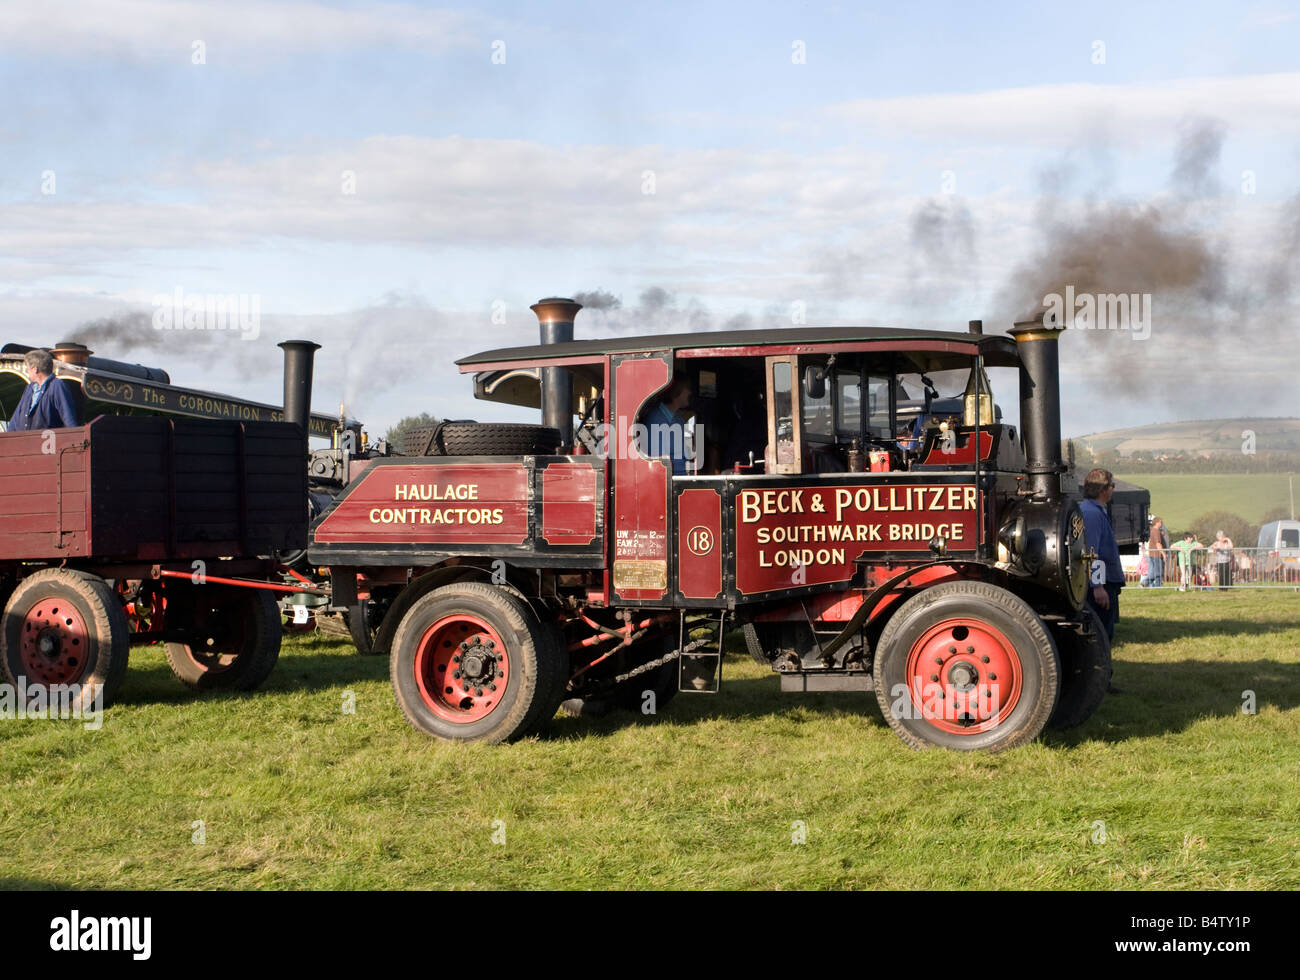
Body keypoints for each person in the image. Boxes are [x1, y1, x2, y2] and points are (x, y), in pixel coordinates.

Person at [1079, 468, 1123, 644]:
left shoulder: (1095, 511)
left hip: (1104, 581)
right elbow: (1091, 552)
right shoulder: (1092, 514)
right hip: (1100, 584)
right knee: (1102, 635)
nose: (1113, 489)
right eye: (1112, 485)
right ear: (1103, 489)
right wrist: (1097, 585)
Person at [7, 349, 80, 431]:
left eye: (28, 369)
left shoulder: (57, 386)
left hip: (47, 442)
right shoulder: (29, 388)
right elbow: (15, 420)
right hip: (21, 442)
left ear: (35, 369)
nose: (27, 371)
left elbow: (69, 418)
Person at [646, 372, 693, 476]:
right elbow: (657, 463)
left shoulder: (679, 421)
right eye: (688, 388)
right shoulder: (655, 419)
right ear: (677, 390)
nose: (690, 393)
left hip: (683, 478)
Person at [1147, 516, 1169, 588]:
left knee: (1155, 572)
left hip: (1153, 554)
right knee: (1158, 572)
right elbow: (1158, 544)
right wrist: (1163, 554)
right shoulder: (1156, 531)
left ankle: (1151, 584)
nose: (1161, 523)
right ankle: (1148, 583)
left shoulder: (1154, 530)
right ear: (1157, 523)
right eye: (1161, 522)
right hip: (1157, 554)